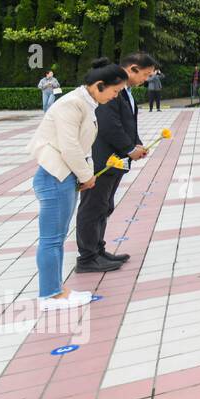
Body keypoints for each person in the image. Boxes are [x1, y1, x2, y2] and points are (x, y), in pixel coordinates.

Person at [27, 58, 129, 310]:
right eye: (115, 91)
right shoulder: (72, 104)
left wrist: (83, 174)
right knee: (51, 239)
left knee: (57, 238)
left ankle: (55, 290)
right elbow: (70, 146)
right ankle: (50, 295)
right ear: (99, 85)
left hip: (63, 175)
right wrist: (87, 176)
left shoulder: (86, 103)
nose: (116, 97)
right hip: (55, 176)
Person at [75, 51, 156, 273]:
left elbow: (127, 123)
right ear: (132, 69)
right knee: (93, 207)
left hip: (116, 160)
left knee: (104, 206)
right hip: (102, 160)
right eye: (145, 75)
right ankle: (87, 258)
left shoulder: (124, 91)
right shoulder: (109, 90)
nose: (146, 80)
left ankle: (98, 250)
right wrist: (129, 149)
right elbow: (109, 125)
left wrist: (136, 145)